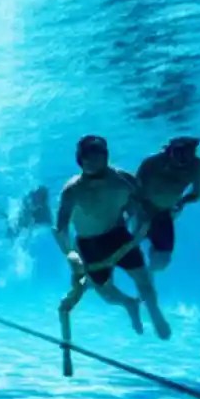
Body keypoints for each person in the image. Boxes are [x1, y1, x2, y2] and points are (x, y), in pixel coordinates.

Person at [54, 135, 170, 340]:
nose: (93, 161)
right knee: (106, 294)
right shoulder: (72, 190)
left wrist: (139, 229)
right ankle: (129, 303)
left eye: (98, 155)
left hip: (118, 236)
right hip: (89, 244)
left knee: (142, 278)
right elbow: (61, 228)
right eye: (88, 156)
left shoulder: (124, 180)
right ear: (80, 160)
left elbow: (142, 208)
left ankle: (154, 312)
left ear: (106, 156)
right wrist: (71, 254)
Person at [134, 136, 200, 272]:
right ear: (169, 150)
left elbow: (199, 193)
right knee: (126, 249)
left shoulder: (198, 167)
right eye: (178, 152)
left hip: (164, 214)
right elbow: (134, 189)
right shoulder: (152, 163)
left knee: (161, 261)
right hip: (143, 210)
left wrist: (183, 201)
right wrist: (138, 211)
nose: (182, 159)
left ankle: (148, 276)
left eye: (188, 153)